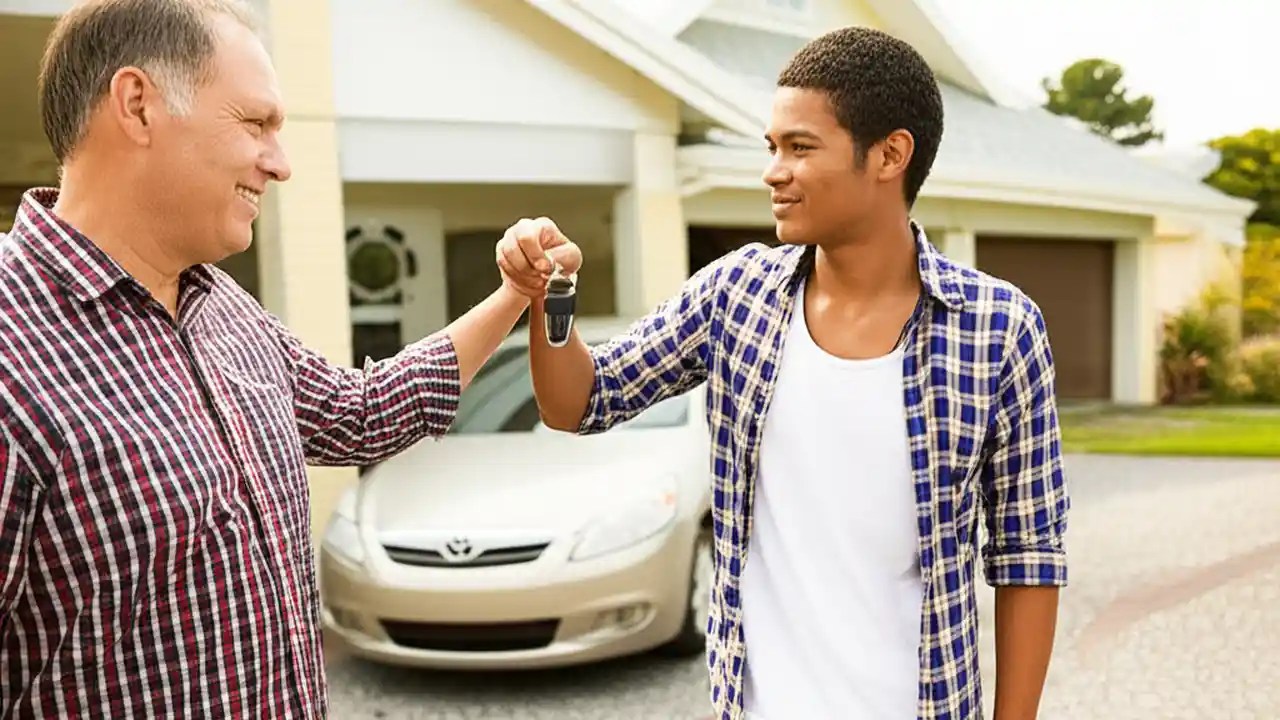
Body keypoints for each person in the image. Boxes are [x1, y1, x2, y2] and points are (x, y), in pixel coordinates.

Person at [496, 26, 1068, 720]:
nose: (773, 170)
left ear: (890, 155)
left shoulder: (999, 327)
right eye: (773, 148)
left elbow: (1027, 555)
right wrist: (550, 296)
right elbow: (580, 401)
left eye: (800, 147)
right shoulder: (734, 294)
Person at [0, 0, 533, 716]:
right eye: (256, 123)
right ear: (138, 105)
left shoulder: (225, 308)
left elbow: (362, 414)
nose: (280, 165)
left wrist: (513, 296)